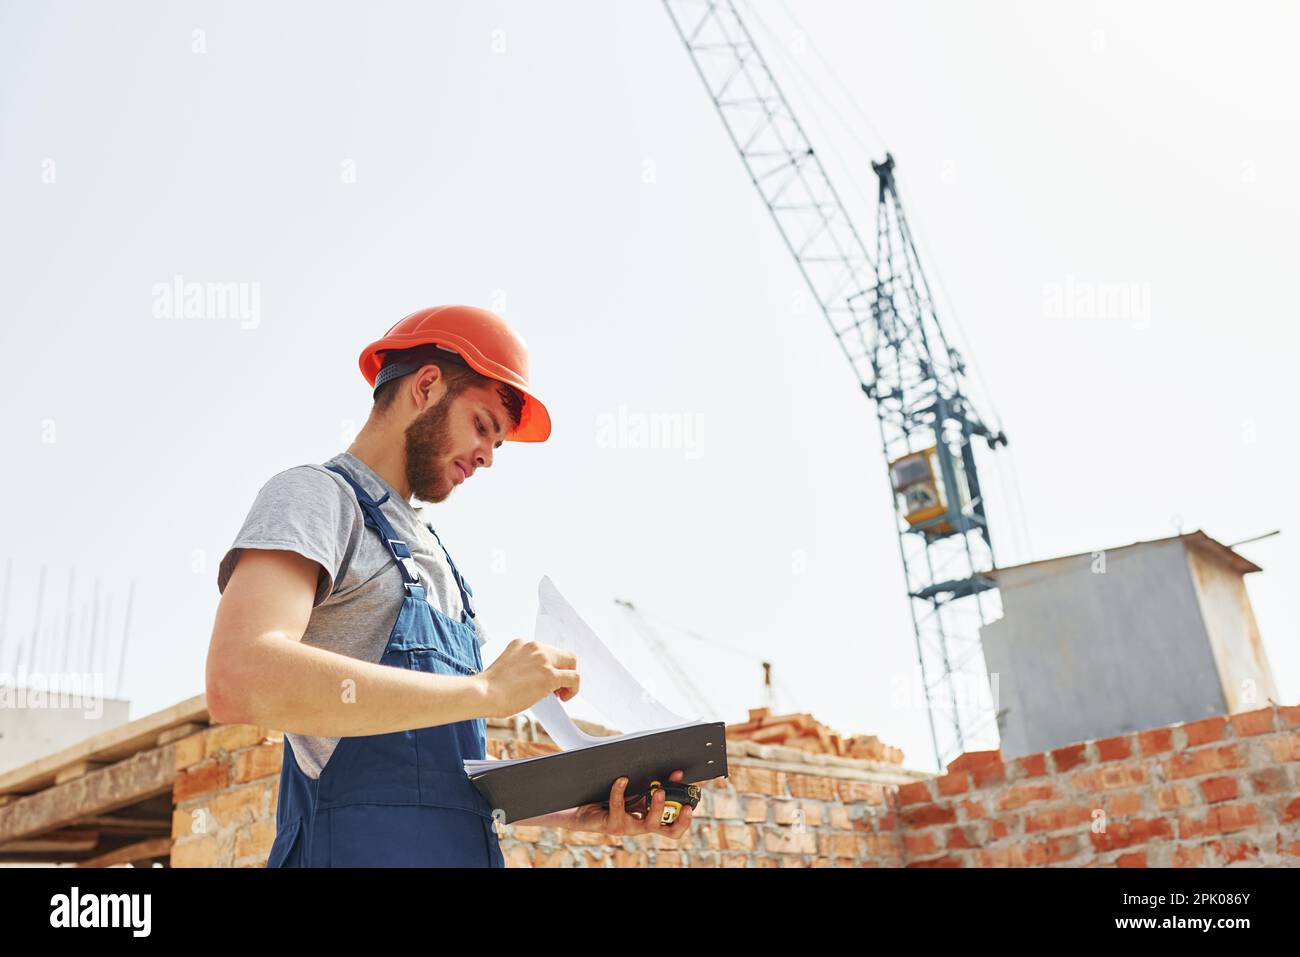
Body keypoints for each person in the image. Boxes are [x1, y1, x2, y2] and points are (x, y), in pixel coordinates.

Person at [205, 304, 696, 866]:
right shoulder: (318, 497)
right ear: (428, 387)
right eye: (482, 425)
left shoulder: (441, 562)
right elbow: (238, 677)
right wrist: (487, 691)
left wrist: (576, 808)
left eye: (497, 444)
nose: (487, 456)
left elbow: (434, 778)